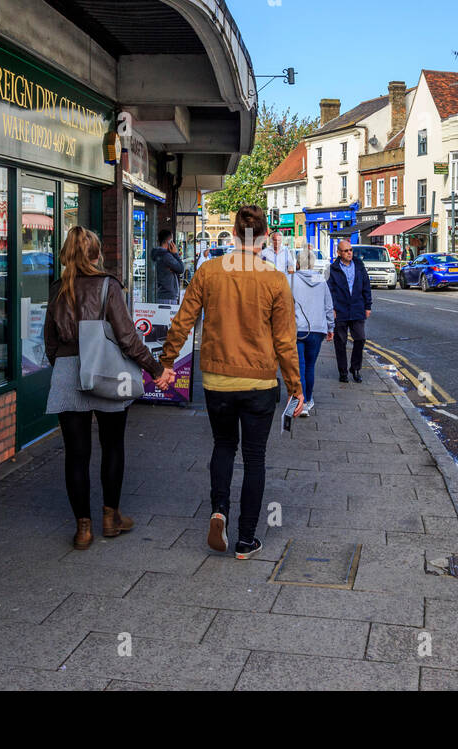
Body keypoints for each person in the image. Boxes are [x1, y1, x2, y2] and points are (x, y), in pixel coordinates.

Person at [158, 205, 302, 560]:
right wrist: (296, 388)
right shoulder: (275, 280)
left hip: (218, 381)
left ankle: (219, 510)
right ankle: (246, 539)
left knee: (223, 446)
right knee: (255, 458)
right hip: (259, 383)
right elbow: (285, 340)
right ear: (265, 238)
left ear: (235, 236)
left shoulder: (209, 271)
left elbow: (183, 320)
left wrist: (165, 362)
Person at [44, 226, 167, 551]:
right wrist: (156, 370)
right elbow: (127, 337)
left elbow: (50, 343)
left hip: (69, 375)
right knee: (113, 446)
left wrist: (68, 367)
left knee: (76, 455)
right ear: (97, 255)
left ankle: (83, 529)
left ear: (65, 256)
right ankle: (111, 518)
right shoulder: (108, 286)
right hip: (109, 372)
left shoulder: (57, 288)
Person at [291, 246, 334, 416]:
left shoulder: (291, 279)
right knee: (310, 366)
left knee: (299, 367)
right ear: (313, 263)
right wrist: (330, 327)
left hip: (296, 329)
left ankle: (298, 402)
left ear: (298, 263)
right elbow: (328, 306)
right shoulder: (321, 279)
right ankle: (307, 401)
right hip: (317, 329)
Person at [326, 238, 371, 383]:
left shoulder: (359, 265)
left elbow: (366, 285)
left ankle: (355, 368)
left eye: (350, 250)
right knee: (340, 342)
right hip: (340, 310)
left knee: (360, 338)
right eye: (345, 251)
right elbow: (329, 291)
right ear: (339, 253)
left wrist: (367, 306)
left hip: (357, 308)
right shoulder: (333, 269)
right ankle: (343, 372)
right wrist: (331, 308)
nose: (349, 253)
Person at [149, 228, 185, 303]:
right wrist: (175, 253)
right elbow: (181, 269)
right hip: (168, 296)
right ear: (169, 242)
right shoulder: (167, 256)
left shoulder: (157, 254)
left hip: (160, 294)